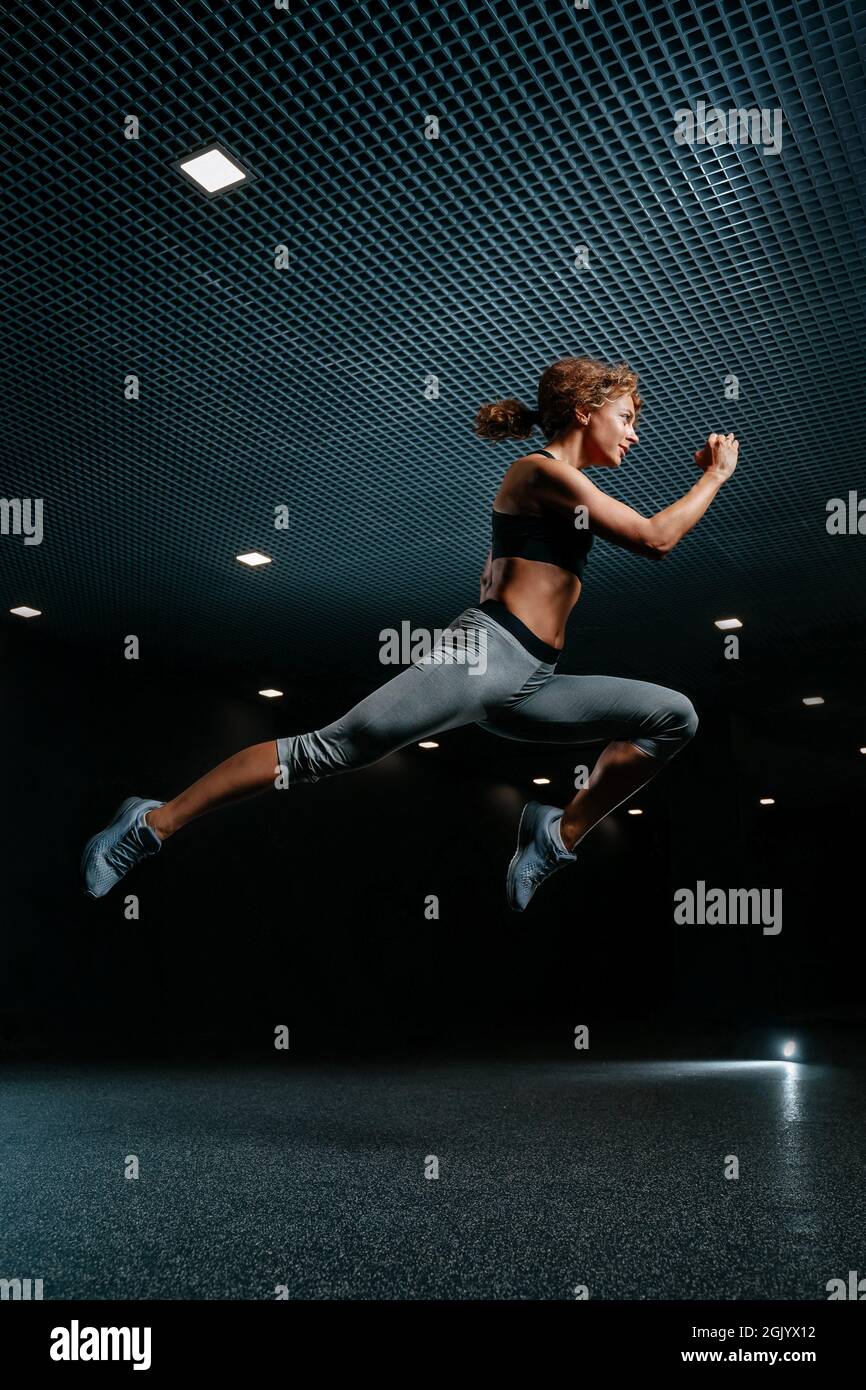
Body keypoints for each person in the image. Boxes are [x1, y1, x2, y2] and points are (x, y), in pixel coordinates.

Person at [82, 355, 738, 910]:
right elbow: (656, 539)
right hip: (486, 658)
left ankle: (557, 837)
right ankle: (152, 822)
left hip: (530, 681)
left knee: (674, 717)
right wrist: (713, 473)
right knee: (327, 751)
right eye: (627, 418)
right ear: (583, 409)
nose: (635, 435)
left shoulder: (570, 489)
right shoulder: (538, 472)